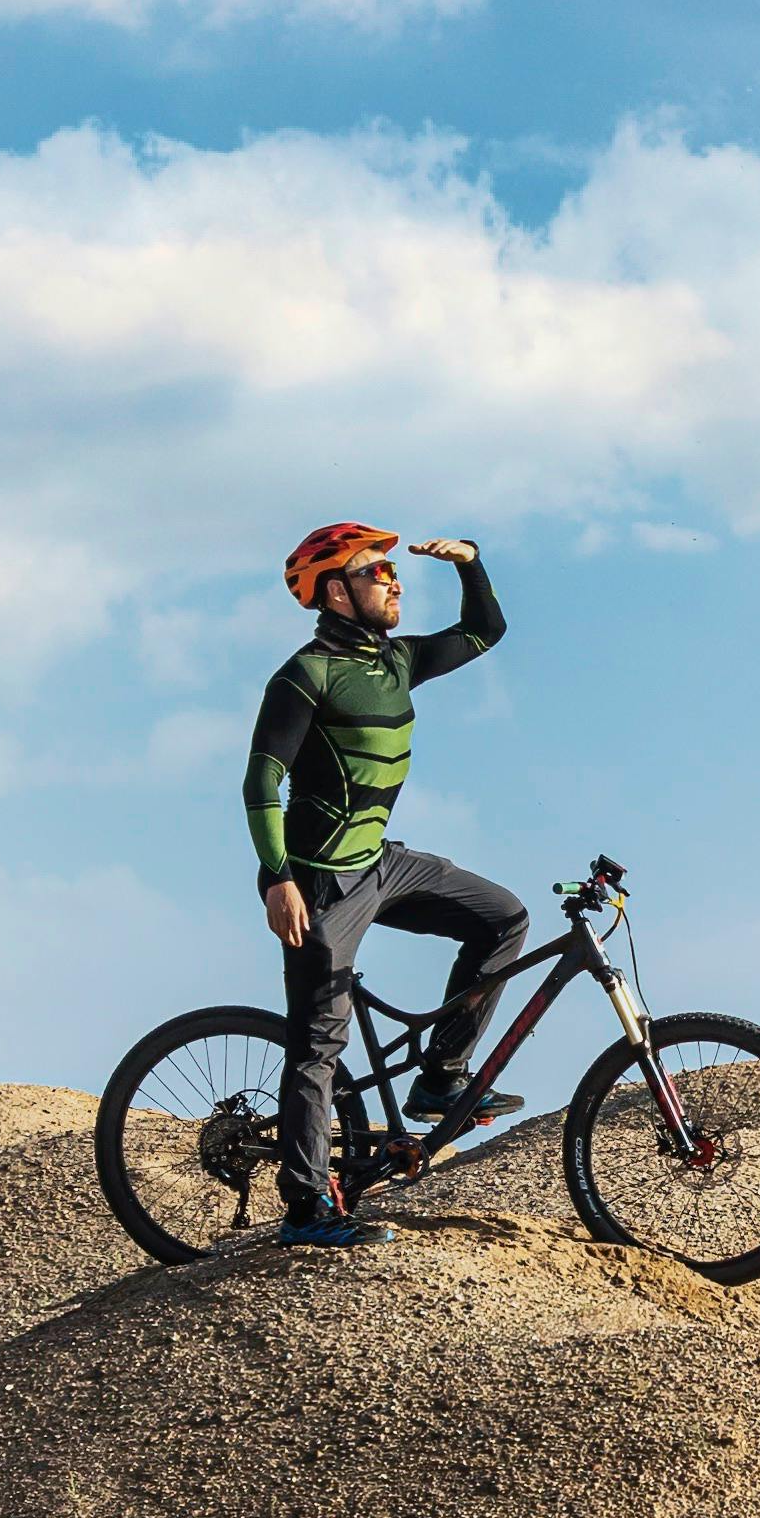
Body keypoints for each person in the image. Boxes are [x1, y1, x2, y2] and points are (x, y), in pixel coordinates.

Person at [245, 523, 528, 1250]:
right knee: (318, 1047)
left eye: (393, 574)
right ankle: (306, 1208)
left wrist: (472, 563)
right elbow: (263, 780)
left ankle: (439, 1078)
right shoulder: (306, 674)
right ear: (336, 591)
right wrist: (278, 878)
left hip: (382, 862)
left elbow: (485, 629)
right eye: (379, 573)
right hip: (322, 881)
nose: (395, 582)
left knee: (502, 918)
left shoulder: (397, 661)